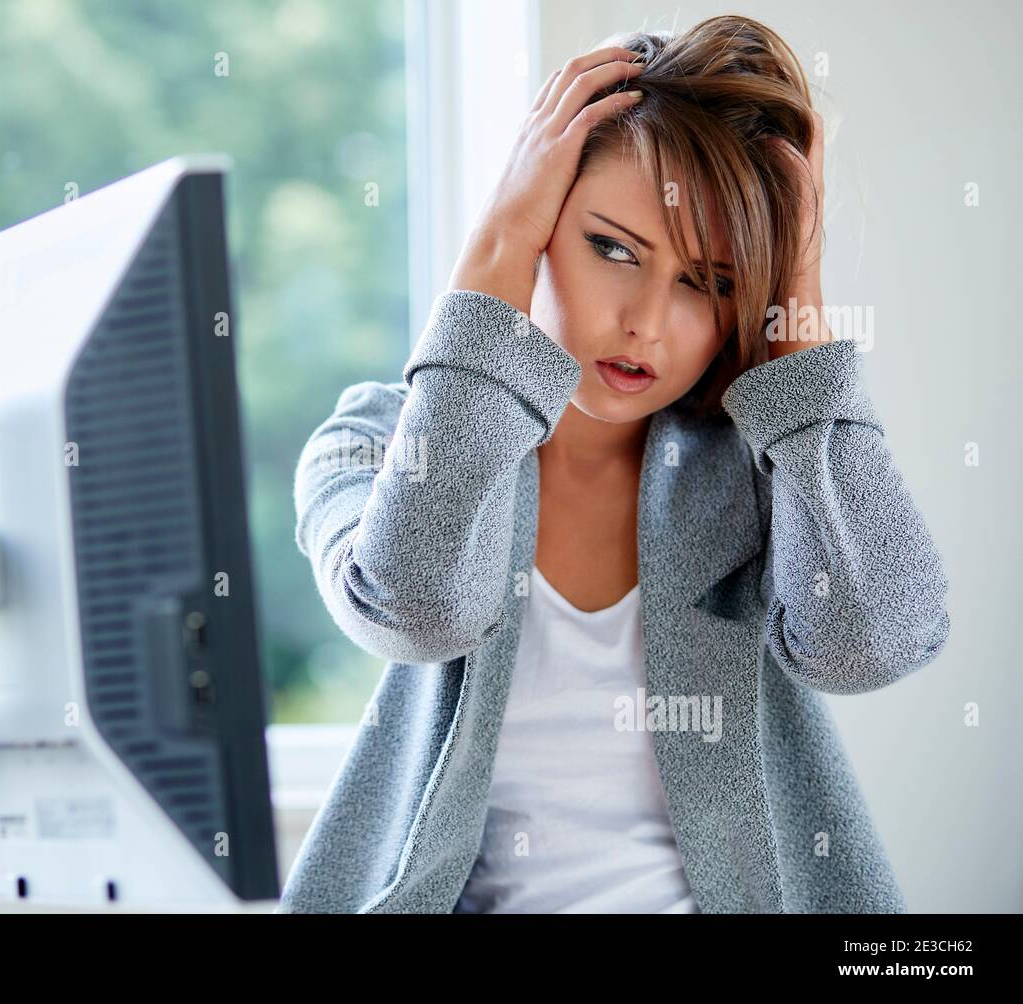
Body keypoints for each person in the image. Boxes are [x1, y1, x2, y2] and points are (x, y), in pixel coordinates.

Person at [278, 14, 950, 914]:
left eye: (707, 283)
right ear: (539, 220)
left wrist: (798, 303)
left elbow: (874, 641)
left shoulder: (763, 470)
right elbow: (419, 607)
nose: (646, 323)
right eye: (611, 248)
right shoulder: (373, 443)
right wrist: (495, 254)